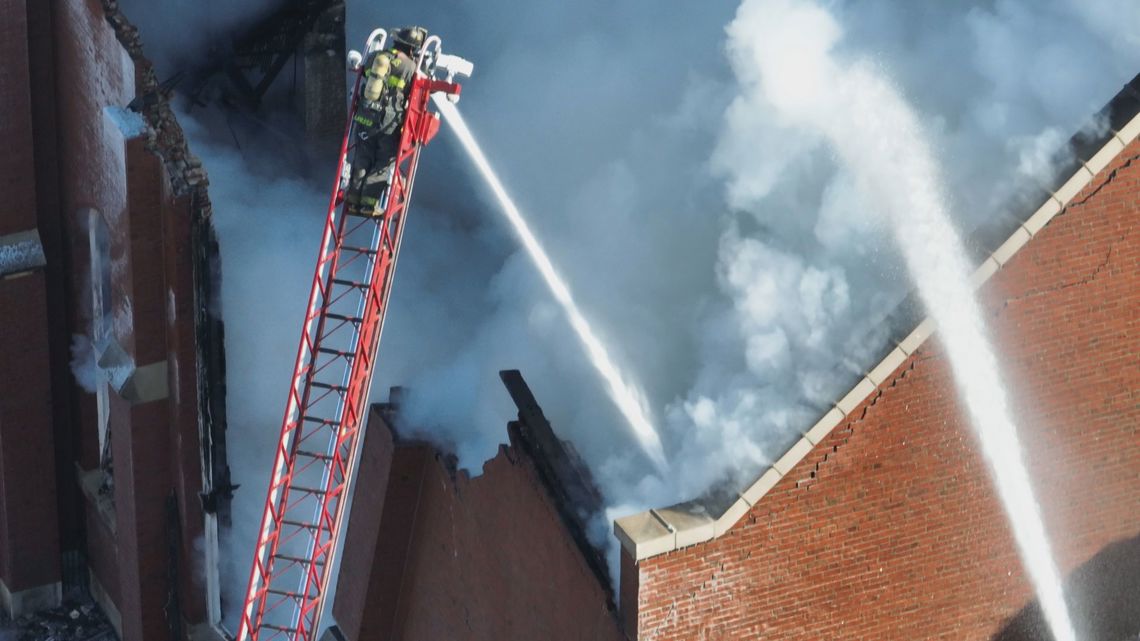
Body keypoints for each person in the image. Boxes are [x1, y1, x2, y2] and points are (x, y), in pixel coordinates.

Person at [345, 26, 427, 217]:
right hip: (387, 123)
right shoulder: (410, 67)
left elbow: (364, 75)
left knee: (362, 158)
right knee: (384, 162)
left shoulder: (375, 56)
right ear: (411, 49)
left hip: (364, 117)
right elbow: (413, 94)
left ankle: (353, 198)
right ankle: (368, 204)